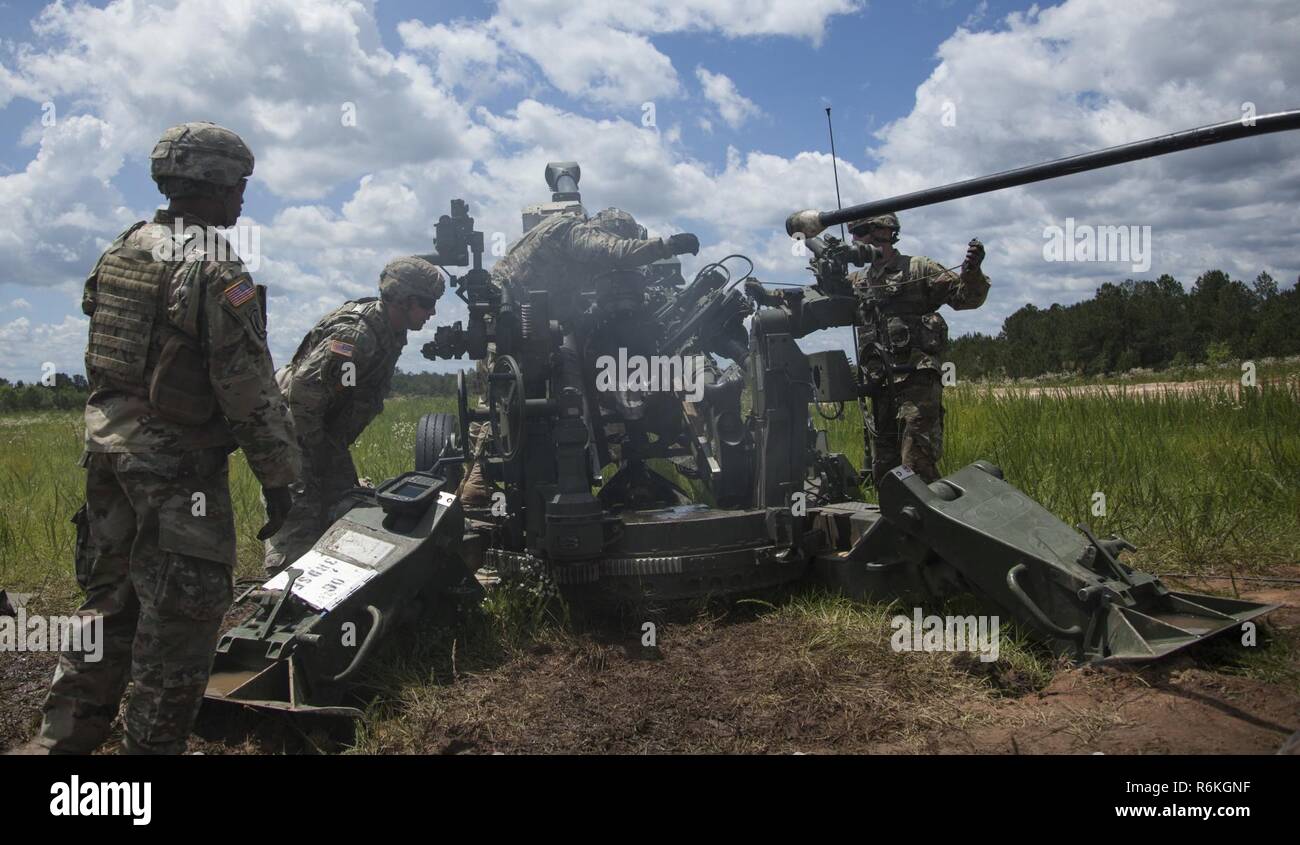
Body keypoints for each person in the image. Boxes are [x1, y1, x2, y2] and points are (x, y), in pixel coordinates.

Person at [22, 122, 300, 755]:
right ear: (213, 182)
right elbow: (247, 383)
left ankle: (60, 743)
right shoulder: (213, 263)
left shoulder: (122, 249)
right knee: (179, 626)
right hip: (176, 469)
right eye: (239, 185)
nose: (242, 200)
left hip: (108, 455)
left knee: (108, 605)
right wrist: (279, 479)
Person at [457, 207, 700, 506]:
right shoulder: (571, 231)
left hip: (531, 319)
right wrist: (671, 245)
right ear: (603, 230)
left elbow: (570, 306)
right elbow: (618, 252)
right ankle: (478, 479)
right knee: (501, 400)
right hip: (507, 324)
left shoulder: (567, 249)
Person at [263, 256, 445, 573]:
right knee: (300, 522)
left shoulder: (389, 330)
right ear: (404, 300)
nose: (432, 313)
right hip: (295, 434)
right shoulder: (355, 337)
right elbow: (302, 401)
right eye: (427, 304)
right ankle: (281, 599)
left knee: (345, 514)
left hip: (323, 437)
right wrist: (317, 459)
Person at [846, 213, 989, 485]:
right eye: (853, 232)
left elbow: (967, 299)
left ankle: (930, 523)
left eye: (861, 231)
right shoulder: (858, 281)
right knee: (885, 469)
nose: (854, 239)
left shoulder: (917, 268)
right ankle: (893, 524)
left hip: (916, 381)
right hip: (879, 384)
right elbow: (819, 307)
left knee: (916, 464)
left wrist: (972, 272)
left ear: (883, 233)